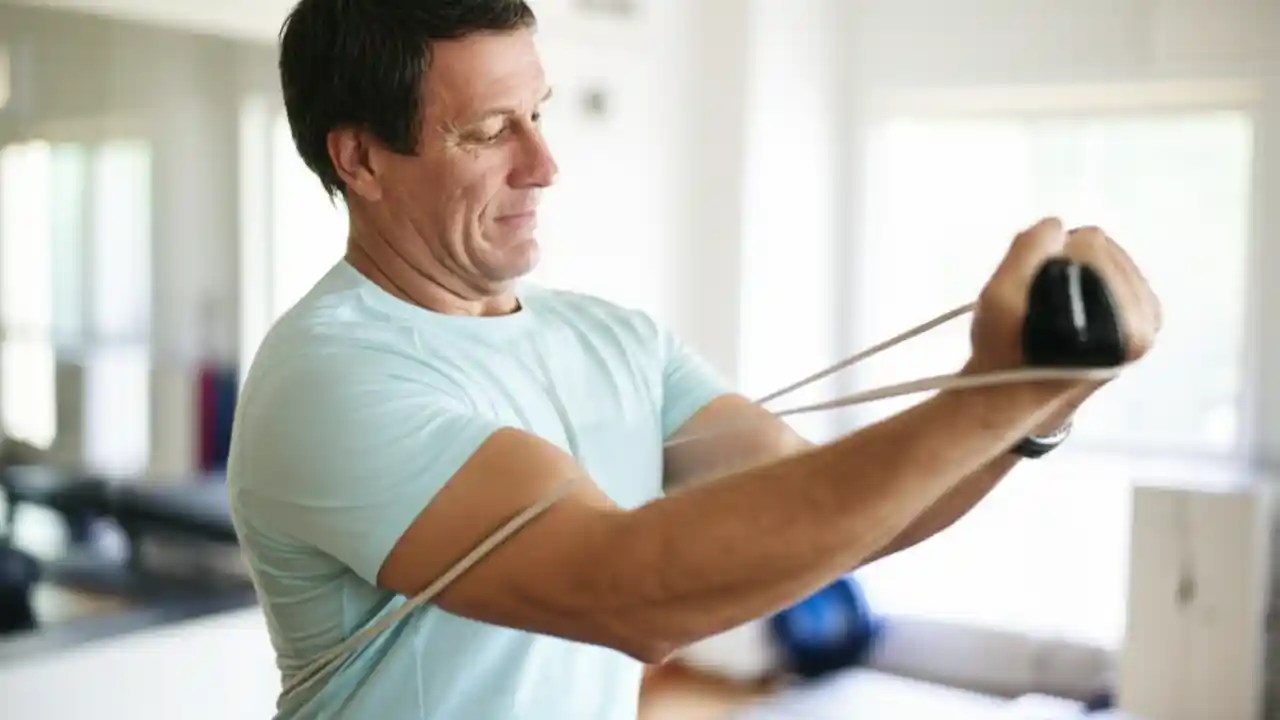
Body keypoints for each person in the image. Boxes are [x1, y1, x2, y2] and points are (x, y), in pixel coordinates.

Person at [227, 1, 1163, 718]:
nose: (545, 164)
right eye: (488, 131)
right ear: (361, 159)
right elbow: (631, 592)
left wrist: (1034, 407)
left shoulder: (613, 339)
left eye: (538, 115)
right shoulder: (333, 379)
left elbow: (837, 515)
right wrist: (989, 406)